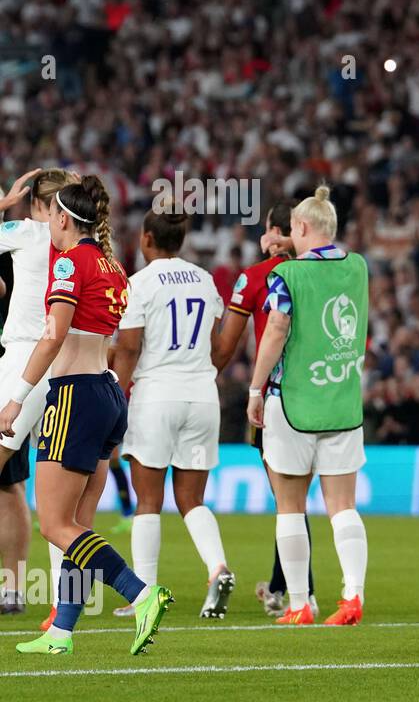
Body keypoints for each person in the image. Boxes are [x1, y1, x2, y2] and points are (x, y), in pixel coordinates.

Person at [0, 175, 173, 654]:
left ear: (61, 218)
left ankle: (142, 594)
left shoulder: (70, 265)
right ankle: (61, 633)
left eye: (51, 215)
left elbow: (53, 335)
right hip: (109, 393)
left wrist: (17, 397)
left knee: (55, 524)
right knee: (78, 523)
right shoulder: (112, 266)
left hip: (73, 394)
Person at [247, 186, 369, 626]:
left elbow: (277, 327)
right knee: (343, 506)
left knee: (290, 506)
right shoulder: (358, 267)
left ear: (299, 227)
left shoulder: (287, 276)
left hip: (292, 401)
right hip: (342, 401)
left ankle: (299, 604)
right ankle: (352, 595)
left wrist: (255, 389)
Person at [112, 209, 233, 619]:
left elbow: (128, 348)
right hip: (202, 395)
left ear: (147, 239)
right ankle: (217, 567)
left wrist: (114, 396)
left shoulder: (140, 283)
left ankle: (143, 596)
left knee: (148, 500)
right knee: (192, 499)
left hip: (157, 394)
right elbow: (217, 348)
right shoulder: (205, 279)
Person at [213, 200, 317, 617]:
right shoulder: (332, 272)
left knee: (287, 499)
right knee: (298, 499)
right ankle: (280, 585)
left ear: (278, 232)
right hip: (326, 394)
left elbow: (225, 347)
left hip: (276, 396)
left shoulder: (257, 277)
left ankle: (301, 593)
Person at [0, 168, 68, 617]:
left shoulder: (23, 231)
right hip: (68, 368)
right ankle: (26, 594)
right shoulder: (85, 249)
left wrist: (4, 206)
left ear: (38, 205)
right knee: (50, 495)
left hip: (22, 364)